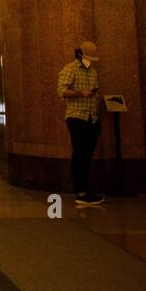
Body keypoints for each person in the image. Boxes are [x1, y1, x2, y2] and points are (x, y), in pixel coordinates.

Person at [58, 41, 105, 206]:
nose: (90, 62)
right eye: (88, 58)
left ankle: (86, 189)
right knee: (79, 155)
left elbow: (96, 90)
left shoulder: (93, 72)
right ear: (80, 55)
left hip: (92, 117)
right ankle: (81, 191)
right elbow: (62, 91)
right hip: (77, 117)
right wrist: (79, 93)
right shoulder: (70, 69)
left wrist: (94, 97)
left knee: (87, 155)